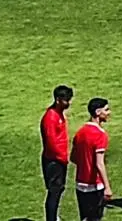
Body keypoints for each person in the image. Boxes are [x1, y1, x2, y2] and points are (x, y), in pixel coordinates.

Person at [72, 98, 113, 221]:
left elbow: (73, 158)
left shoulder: (80, 132)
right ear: (98, 112)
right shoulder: (100, 135)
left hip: (80, 183)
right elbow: (99, 164)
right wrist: (107, 187)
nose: (109, 112)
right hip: (95, 185)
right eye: (106, 110)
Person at [43, 85, 75, 221]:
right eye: (66, 100)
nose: (68, 103)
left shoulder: (58, 114)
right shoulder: (51, 117)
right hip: (54, 161)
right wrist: (62, 158)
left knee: (59, 189)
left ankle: (54, 216)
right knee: (54, 192)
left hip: (59, 159)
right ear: (57, 100)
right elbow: (52, 143)